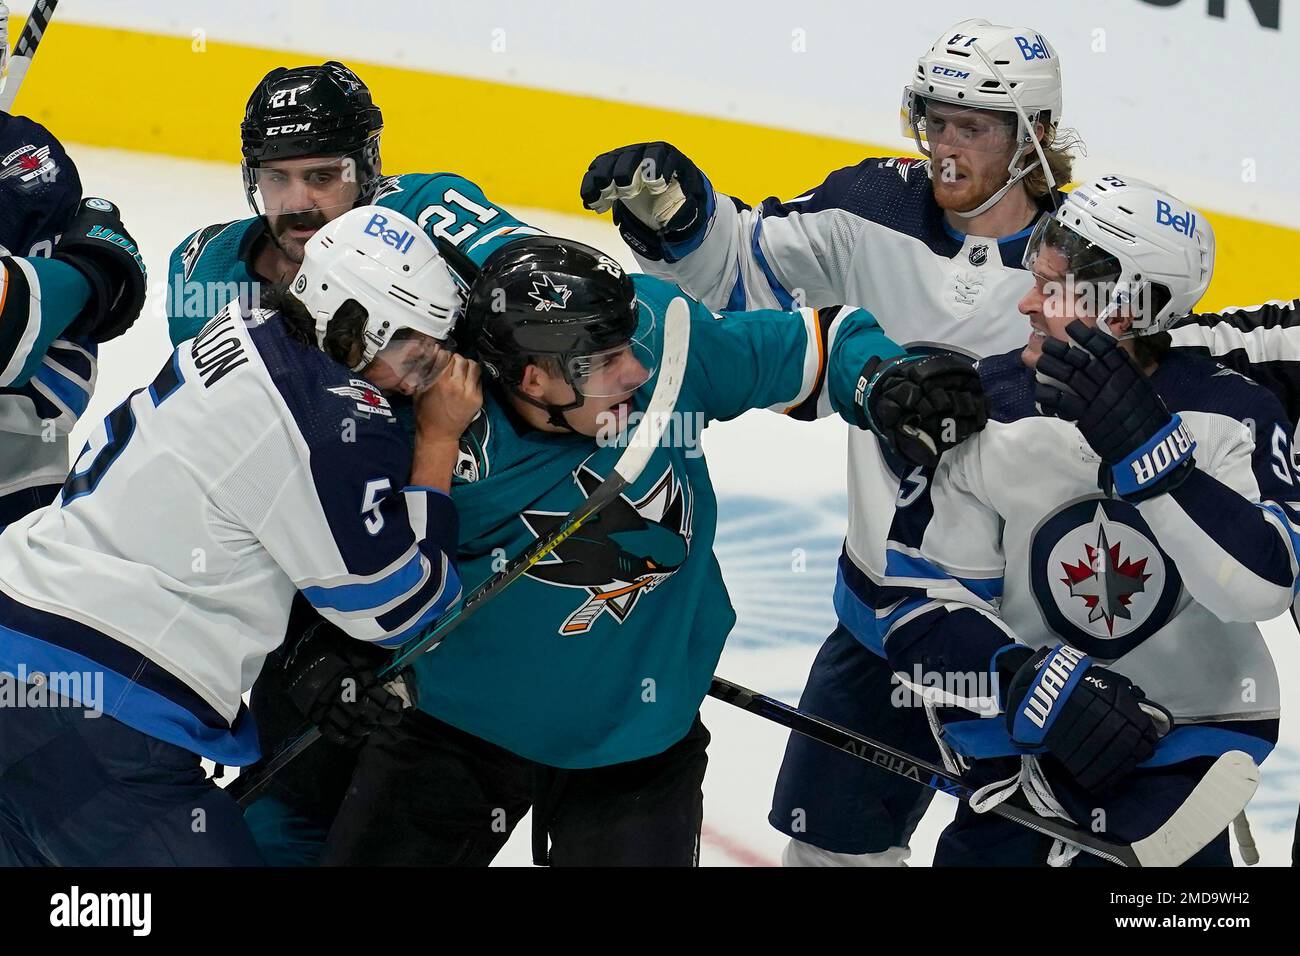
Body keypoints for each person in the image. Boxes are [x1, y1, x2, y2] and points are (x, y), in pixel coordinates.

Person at [278, 233, 986, 866]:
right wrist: (322, 649)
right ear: (533, 379)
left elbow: (817, 344)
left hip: (639, 741)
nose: (636, 373)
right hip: (452, 731)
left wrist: (882, 378)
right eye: (605, 360)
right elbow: (345, 558)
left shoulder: (662, 337)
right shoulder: (427, 430)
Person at [580, 17, 1074, 867]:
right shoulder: (876, 207)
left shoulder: (1084, 260)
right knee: (829, 856)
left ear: (1033, 140)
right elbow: (740, 276)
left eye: (975, 128)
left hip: (1034, 643)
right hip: (887, 617)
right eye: (936, 121)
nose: (946, 150)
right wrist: (682, 218)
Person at [0, 205, 474, 865]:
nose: (426, 380)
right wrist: (437, 440)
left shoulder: (245, 322)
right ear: (360, 328)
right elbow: (393, 606)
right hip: (97, 715)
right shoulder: (335, 410)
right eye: (418, 353)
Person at [876, 176, 1288, 866]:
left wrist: (1151, 456)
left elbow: (1260, 587)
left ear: (1123, 309)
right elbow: (919, 606)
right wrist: (1027, 682)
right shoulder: (986, 407)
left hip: (1181, 781)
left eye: (1052, 287)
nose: (1027, 302)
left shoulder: (1228, 416)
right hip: (1018, 771)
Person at [167, 60, 540, 345]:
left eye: (322, 177)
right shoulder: (200, 266)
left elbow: (553, 288)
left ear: (369, 166)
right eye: (277, 178)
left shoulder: (425, 210)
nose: (297, 202)